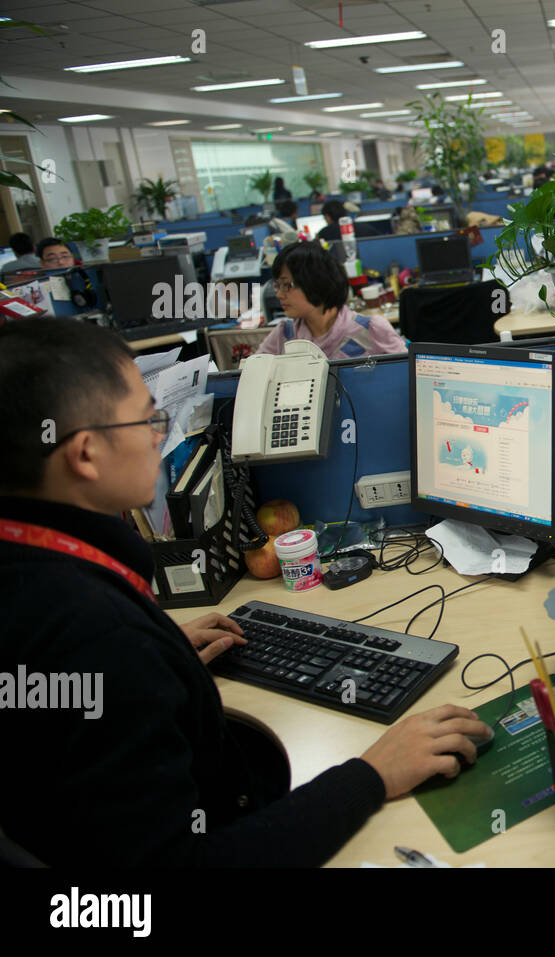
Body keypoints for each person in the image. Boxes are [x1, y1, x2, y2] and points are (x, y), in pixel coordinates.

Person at [0, 318, 488, 865]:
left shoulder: (34, 580)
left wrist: (163, 658)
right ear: (85, 454)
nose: (160, 434)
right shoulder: (96, 638)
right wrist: (372, 774)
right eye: (146, 418)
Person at [257, 240, 405, 359]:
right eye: (278, 286)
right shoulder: (284, 335)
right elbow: (250, 377)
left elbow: (408, 377)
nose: (279, 295)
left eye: (286, 285)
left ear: (315, 282)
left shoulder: (370, 330)